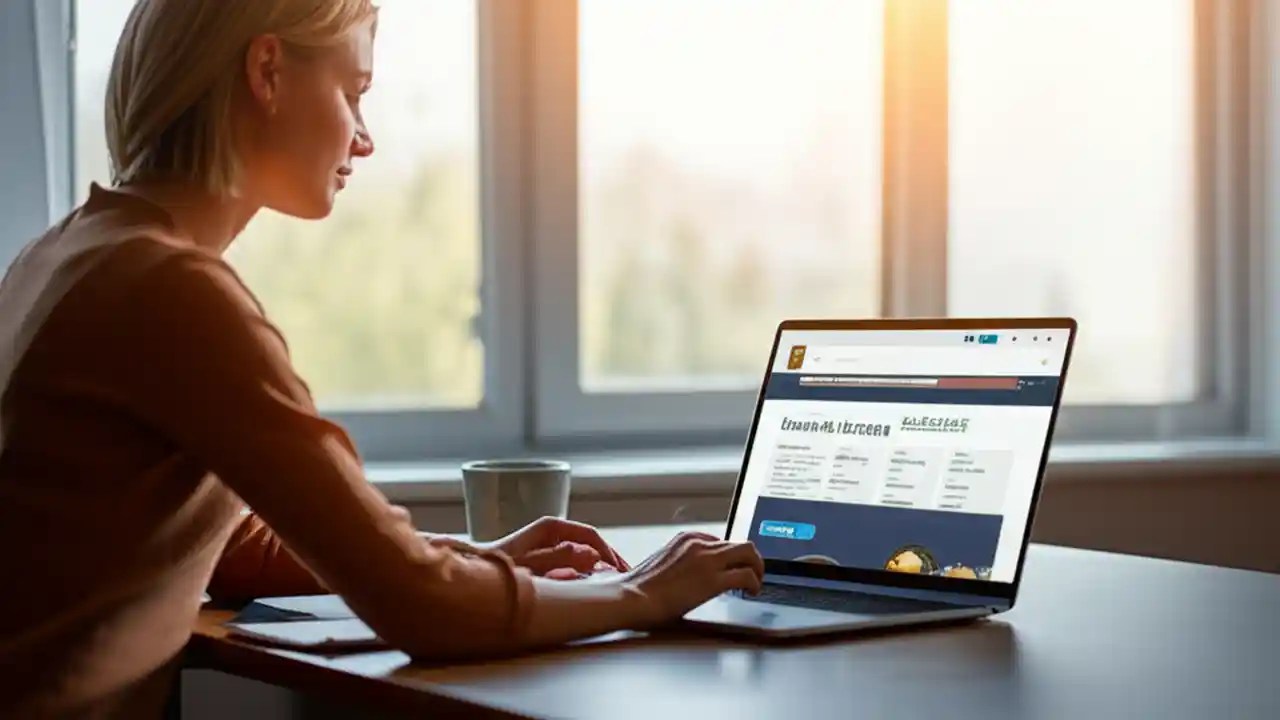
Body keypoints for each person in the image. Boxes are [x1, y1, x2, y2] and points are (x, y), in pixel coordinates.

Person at [0, 0, 764, 716]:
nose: (364, 138)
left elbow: (229, 549)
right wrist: (642, 594)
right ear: (267, 71)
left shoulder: (64, 254)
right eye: (353, 93)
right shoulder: (171, 291)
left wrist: (472, 560)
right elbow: (420, 608)